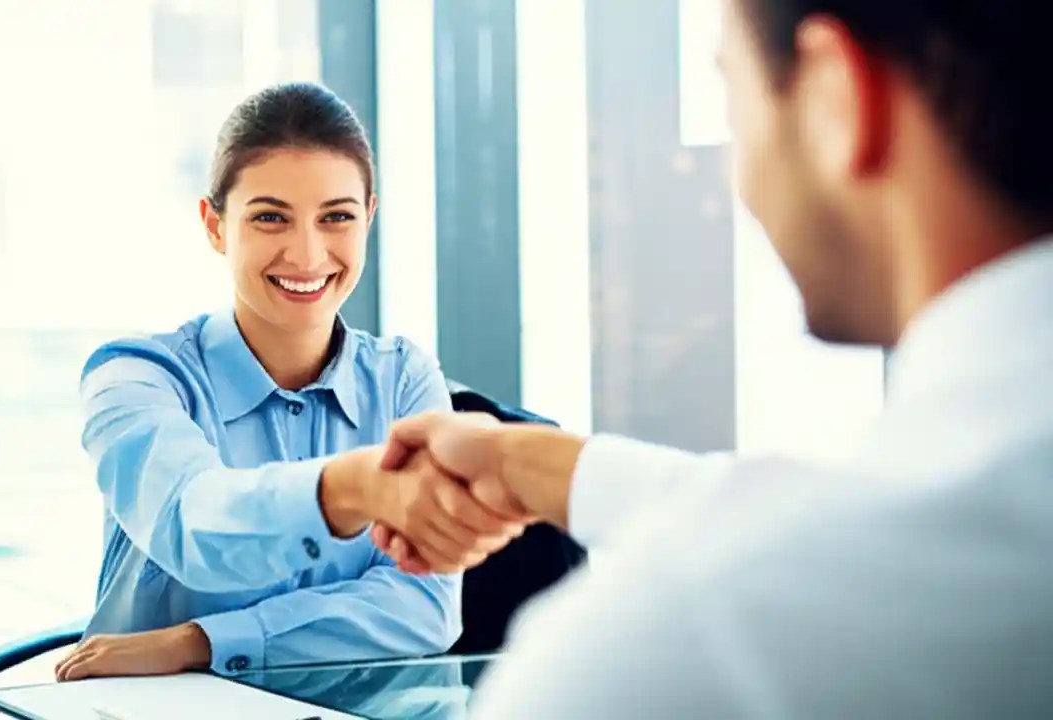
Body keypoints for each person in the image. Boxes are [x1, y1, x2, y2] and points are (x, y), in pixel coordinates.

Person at [375, 0, 1053, 715]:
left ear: (833, 97)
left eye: (733, 95)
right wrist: (538, 465)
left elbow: (820, 552)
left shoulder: (674, 655)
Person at [54, 83, 523, 683]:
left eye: (337, 218)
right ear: (215, 225)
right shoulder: (136, 377)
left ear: (368, 218)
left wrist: (200, 641)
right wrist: (350, 490)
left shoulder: (404, 377)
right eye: (271, 217)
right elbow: (193, 525)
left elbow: (424, 608)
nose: (306, 255)